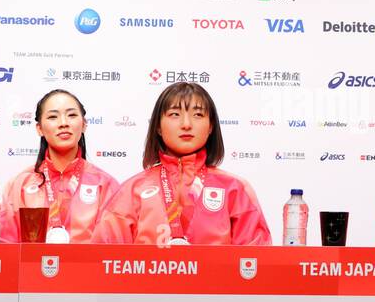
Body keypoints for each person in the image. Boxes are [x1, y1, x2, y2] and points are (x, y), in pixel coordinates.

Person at [98, 82, 271, 246]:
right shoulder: (132, 190)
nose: (186, 124)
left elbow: (255, 262)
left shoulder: (235, 189)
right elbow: (102, 260)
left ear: (210, 126)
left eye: (198, 115)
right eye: (175, 114)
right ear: (158, 126)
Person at [0, 90, 120, 243]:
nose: (63, 123)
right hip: (32, 267)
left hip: (88, 267)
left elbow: (114, 252)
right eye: (53, 117)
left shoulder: (106, 185)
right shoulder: (20, 185)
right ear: (39, 129)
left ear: (84, 124)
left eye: (72, 115)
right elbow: (7, 247)